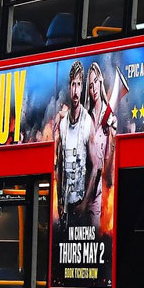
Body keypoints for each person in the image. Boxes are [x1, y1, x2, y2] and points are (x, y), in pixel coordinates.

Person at [53, 60, 95, 227]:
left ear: (82, 87)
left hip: (80, 204)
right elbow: (59, 167)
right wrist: (59, 201)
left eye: (79, 84)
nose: (76, 90)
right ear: (69, 87)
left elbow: (94, 167)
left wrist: (84, 204)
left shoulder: (87, 123)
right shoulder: (63, 125)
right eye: (73, 85)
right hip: (66, 206)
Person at [83, 60, 117, 227]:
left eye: (95, 82)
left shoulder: (109, 116)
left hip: (96, 193)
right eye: (90, 85)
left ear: (101, 81)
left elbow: (108, 163)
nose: (93, 88)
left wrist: (112, 135)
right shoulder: (86, 117)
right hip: (82, 188)